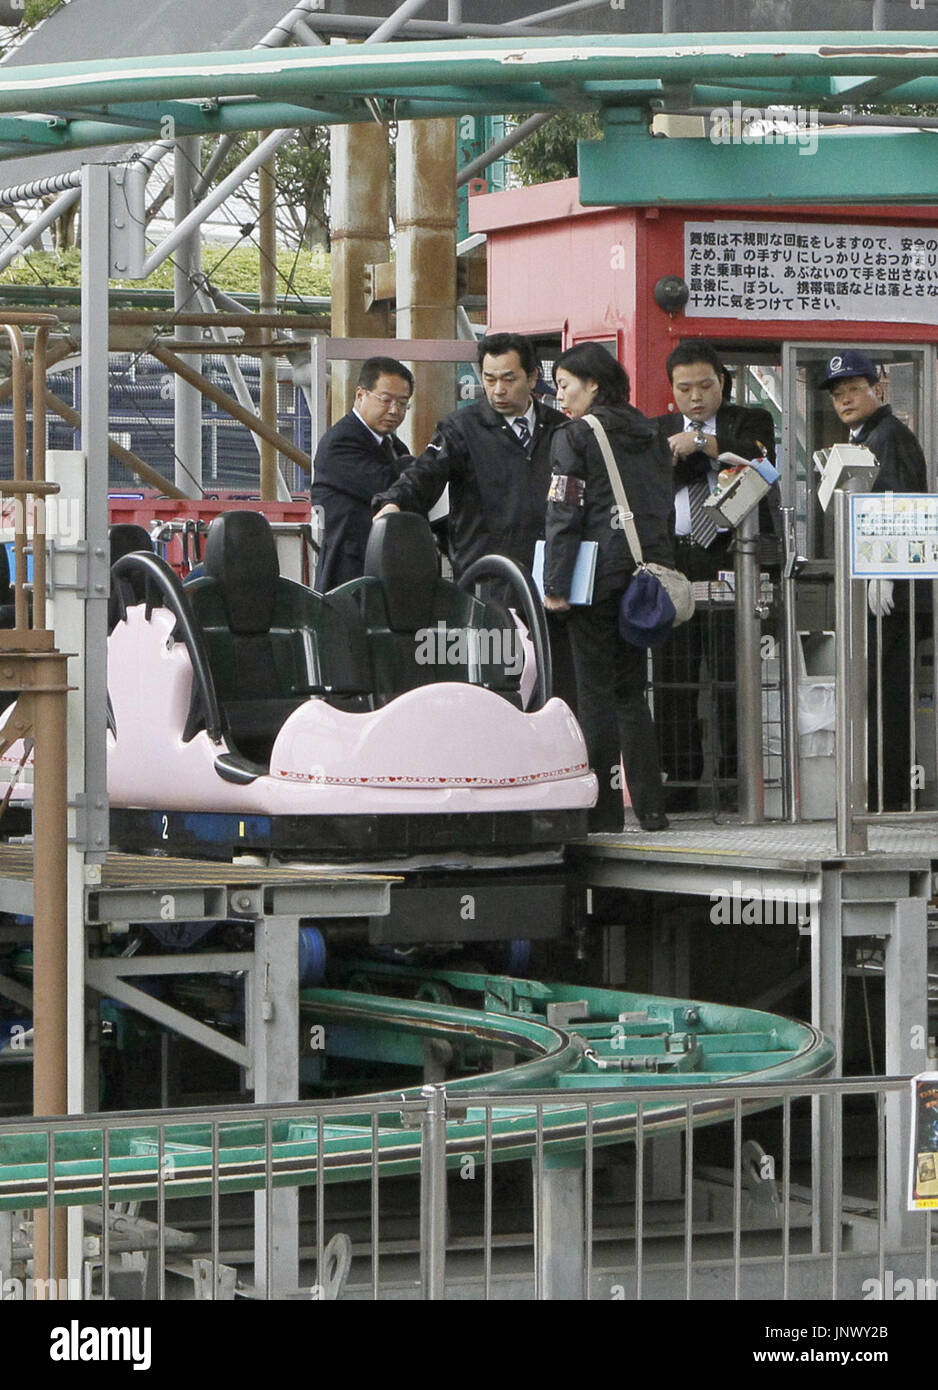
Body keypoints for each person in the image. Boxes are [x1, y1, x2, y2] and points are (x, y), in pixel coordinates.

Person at [372, 331, 575, 704]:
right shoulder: (461, 429)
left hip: (551, 585)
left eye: (509, 378)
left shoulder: (560, 429)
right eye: (489, 378)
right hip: (488, 585)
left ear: (532, 378)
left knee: (556, 692)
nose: (497, 389)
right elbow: (424, 474)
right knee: (495, 694)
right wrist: (393, 505)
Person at [542, 341, 675, 833]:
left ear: (592, 384)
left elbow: (564, 511)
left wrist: (555, 582)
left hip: (593, 575)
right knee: (630, 692)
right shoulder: (652, 433)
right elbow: (661, 504)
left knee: (594, 692)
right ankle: (653, 809)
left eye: (565, 386)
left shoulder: (573, 436)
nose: (560, 397)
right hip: (644, 576)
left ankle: (600, 813)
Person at [652, 340, 778, 812]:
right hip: (677, 559)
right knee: (675, 674)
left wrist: (702, 443)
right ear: (672, 391)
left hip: (731, 558)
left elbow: (763, 461)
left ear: (722, 381)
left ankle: (733, 780)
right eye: (684, 388)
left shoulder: (749, 421)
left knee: (732, 672)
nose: (696, 397)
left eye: (706, 385)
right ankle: (680, 780)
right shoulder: (657, 430)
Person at [820, 349, 929, 811]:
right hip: (882, 590)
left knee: (888, 696)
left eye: (853, 390)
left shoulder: (889, 438)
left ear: (877, 389)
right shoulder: (868, 438)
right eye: (838, 393)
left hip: (895, 596)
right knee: (882, 693)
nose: (845, 400)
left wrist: (883, 572)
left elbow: (901, 507)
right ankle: (882, 794)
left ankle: (890, 797)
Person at [311, 356, 414, 592]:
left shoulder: (394, 445)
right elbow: (386, 484)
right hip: (349, 575)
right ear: (360, 395)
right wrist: (411, 467)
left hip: (388, 569)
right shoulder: (340, 442)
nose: (394, 410)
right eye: (386, 400)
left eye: (402, 403)